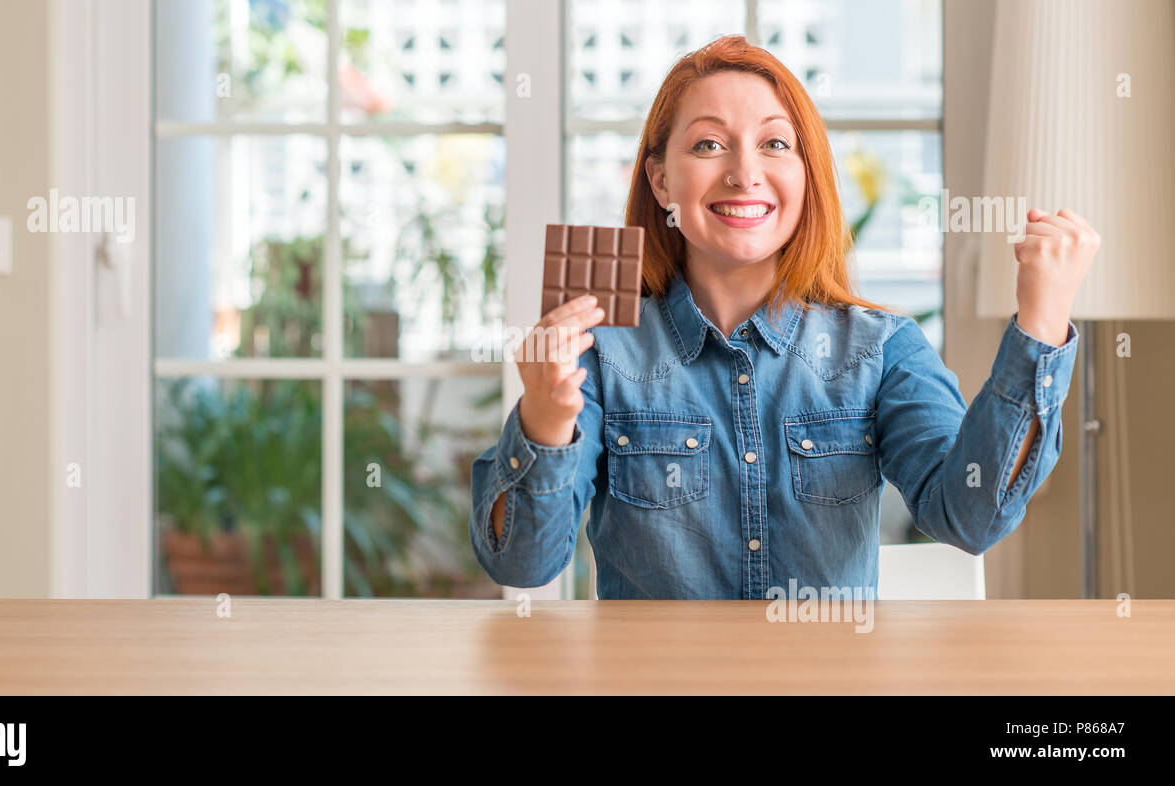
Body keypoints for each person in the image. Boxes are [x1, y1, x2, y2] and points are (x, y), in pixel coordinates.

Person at [468, 35, 1097, 600]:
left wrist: (1040, 324)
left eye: (774, 143)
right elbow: (523, 566)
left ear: (806, 172)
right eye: (709, 144)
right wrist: (545, 421)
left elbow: (969, 515)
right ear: (661, 182)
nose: (745, 174)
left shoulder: (882, 350)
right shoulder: (601, 355)